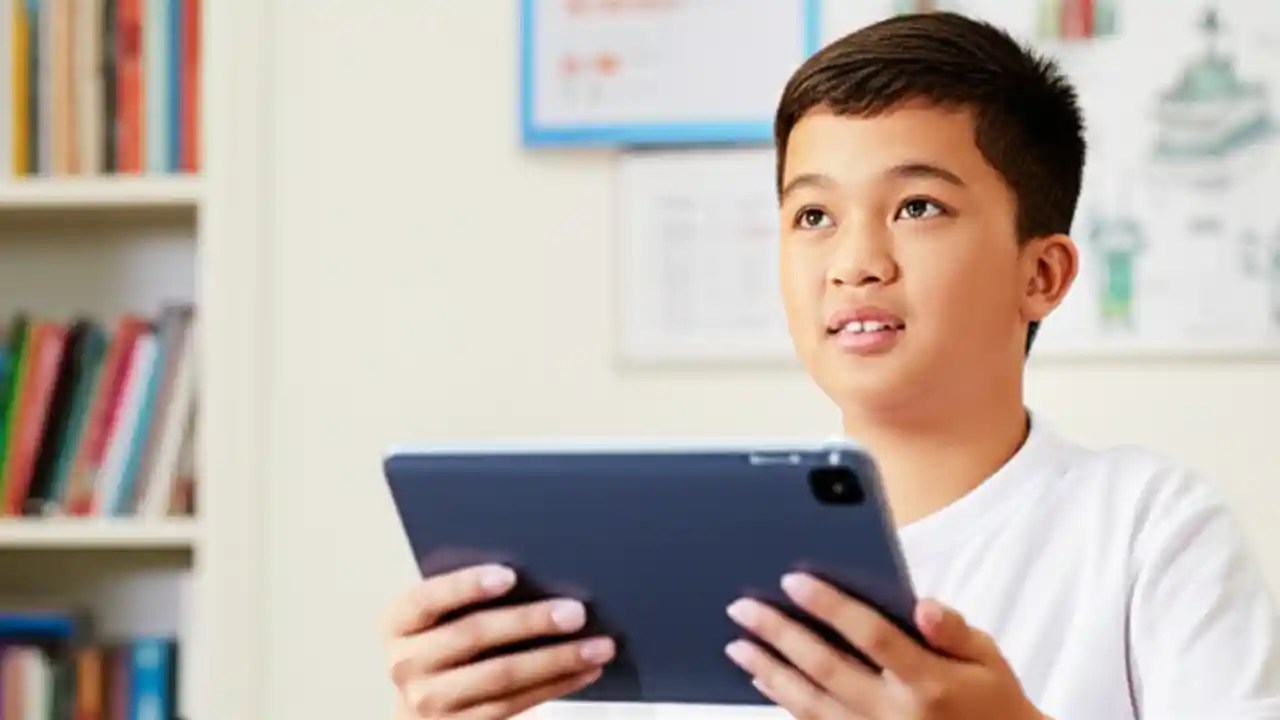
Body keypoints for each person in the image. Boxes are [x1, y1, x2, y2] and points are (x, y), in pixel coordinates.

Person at [382, 11, 1280, 720]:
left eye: (918, 206)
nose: (854, 261)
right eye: (813, 217)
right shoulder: (694, 543)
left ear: (1041, 274)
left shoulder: (1148, 529)